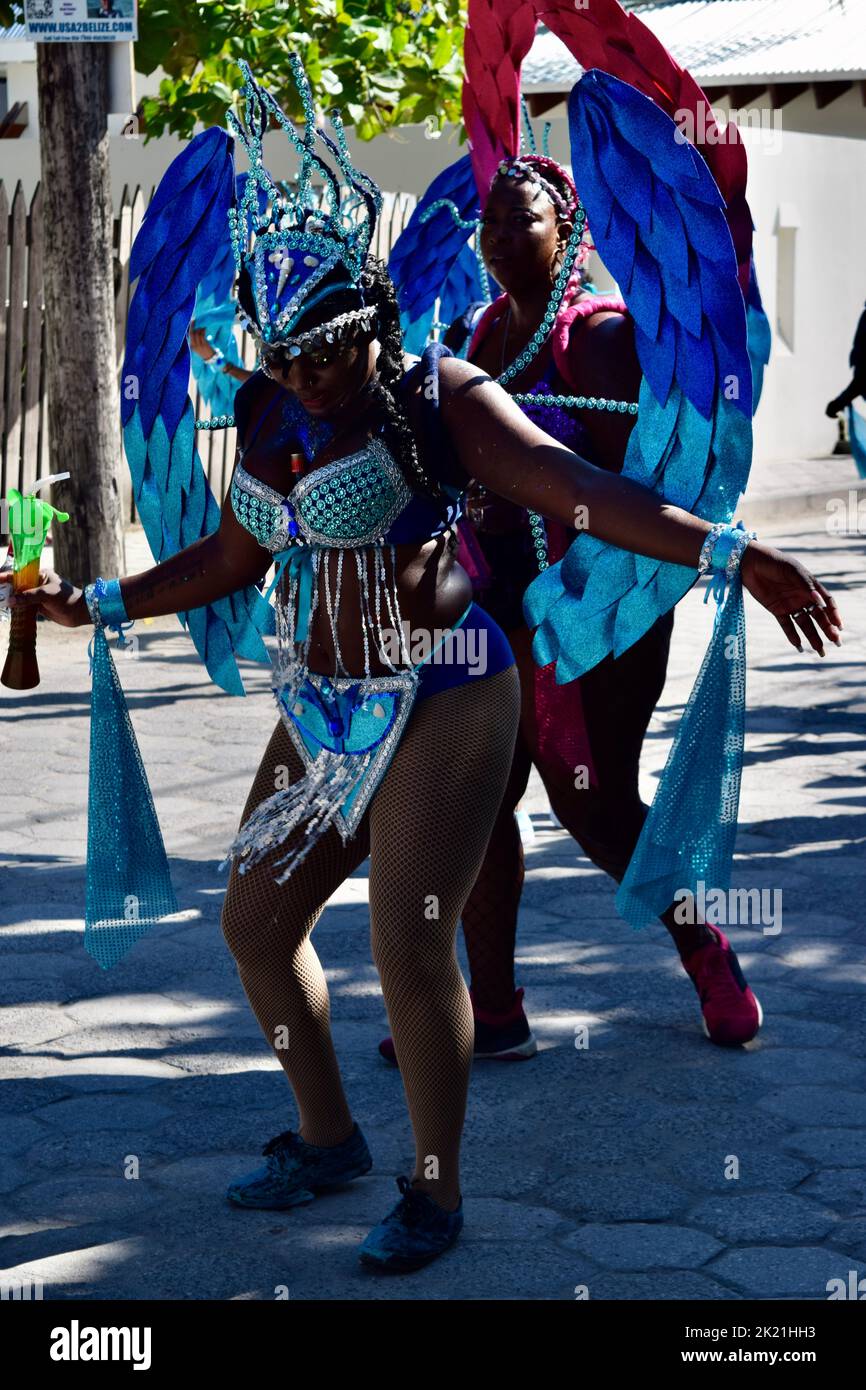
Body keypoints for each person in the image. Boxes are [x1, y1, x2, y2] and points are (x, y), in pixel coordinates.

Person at [11, 60, 841, 1274]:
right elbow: (233, 557)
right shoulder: (268, 411)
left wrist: (732, 549)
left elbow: (583, 488)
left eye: (326, 355)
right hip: (323, 706)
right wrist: (92, 603)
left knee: (407, 937)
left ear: (367, 318)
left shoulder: (434, 395)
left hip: (450, 689)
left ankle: (436, 1191)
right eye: (285, 358)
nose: (307, 379)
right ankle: (326, 1137)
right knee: (254, 923)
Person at [380, 153, 761, 1065]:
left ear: (570, 234)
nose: (504, 239)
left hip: (599, 608)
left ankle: (706, 950)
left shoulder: (600, 340)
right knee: (480, 799)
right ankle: (493, 1011)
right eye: (494, 224)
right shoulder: (472, 339)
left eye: (526, 222)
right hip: (491, 601)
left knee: (594, 804)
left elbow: (644, 485)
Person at [826, 300, 866, 418]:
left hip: (861, 364)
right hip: (863, 365)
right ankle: (834, 406)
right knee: (857, 386)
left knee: (856, 387)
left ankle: (835, 406)